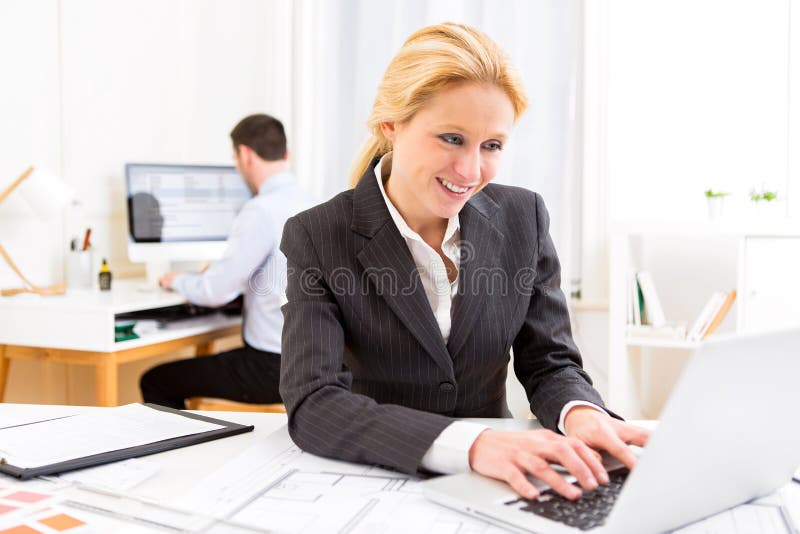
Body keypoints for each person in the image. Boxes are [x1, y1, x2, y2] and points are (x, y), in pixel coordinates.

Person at [278, 23, 650, 501]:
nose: (471, 171)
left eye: (491, 145)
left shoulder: (523, 216)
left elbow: (549, 362)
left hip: (503, 483)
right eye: (452, 138)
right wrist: (471, 445)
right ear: (391, 125)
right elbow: (314, 403)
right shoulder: (317, 234)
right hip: (379, 480)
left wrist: (582, 413)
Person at [140, 114, 313, 410]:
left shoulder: (260, 210)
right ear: (286, 153)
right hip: (315, 359)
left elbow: (215, 292)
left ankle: (185, 442)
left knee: (156, 381)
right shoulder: (315, 202)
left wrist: (179, 279)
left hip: (273, 367)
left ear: (245, 155)